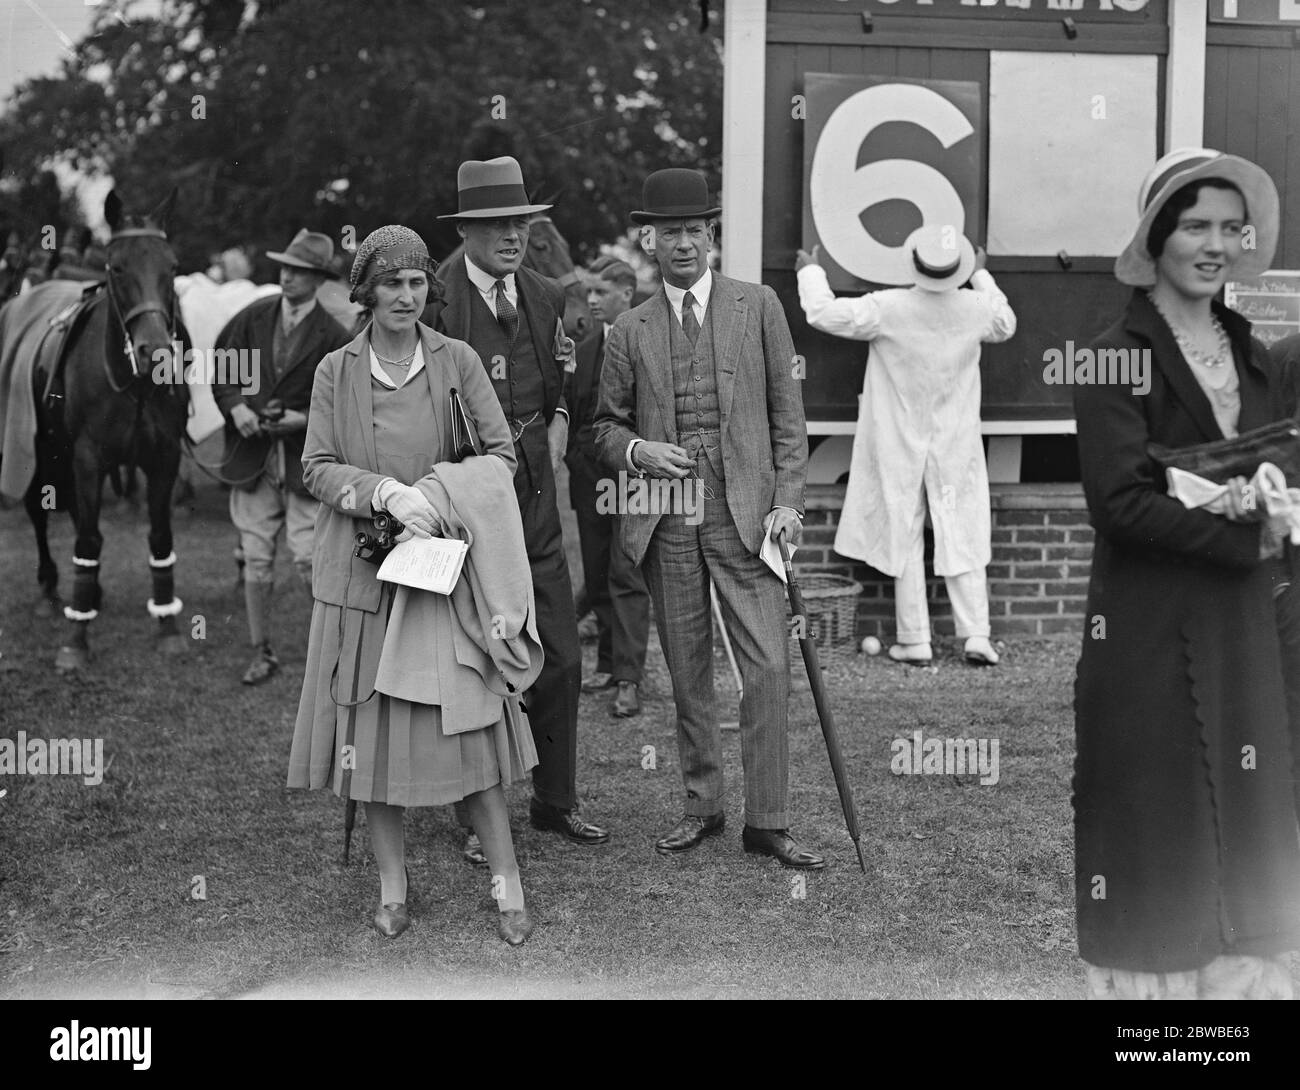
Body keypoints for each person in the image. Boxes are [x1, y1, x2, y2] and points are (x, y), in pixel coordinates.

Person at [1072, 148, 1300, 999]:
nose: (1215, 244)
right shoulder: (1109, 357)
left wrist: (1273, 507)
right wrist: (1240, 531)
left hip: (1246, 627)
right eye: (1194, 225)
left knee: (1250, 817)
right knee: (1155, 826)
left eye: (1228, 228)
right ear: (1157, 238)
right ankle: (1157, 1029)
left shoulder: (1257, 360)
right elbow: (1119, 505)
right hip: (1146, 632)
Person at [288, 225, 538, 945]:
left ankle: (506, 884)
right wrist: (384, 494)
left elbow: (502, 455)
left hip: (443, 581)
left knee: (472, 734)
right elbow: (316, 466)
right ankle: (393, 888)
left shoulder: (456, 360)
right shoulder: (337, 370)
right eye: (391, 284)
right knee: (370, 747)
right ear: (365, 292)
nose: (405, 295)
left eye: (417, 282)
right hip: (366, 582)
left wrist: (437, 492)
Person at [595, 168, 822, 869]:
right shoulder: (628, 328)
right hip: (666, 519)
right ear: (649, 241)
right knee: (687, 673)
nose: (684, 244)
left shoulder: (758, 306)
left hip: (747, 516)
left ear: (711, 236)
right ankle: (703, 807)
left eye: (695, 230)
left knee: (768, 669)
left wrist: (787, 501)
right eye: (670, 233)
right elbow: (602, 427)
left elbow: (789, 421)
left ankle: (769, 820)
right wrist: (636, 450)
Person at [426, 156, 609, 862]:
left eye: (521, 222)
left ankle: (555, 802)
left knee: (559, 652)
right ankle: (477, 814)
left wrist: (558, 427)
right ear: (467, 229)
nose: (513, 234)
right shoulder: (434, 298)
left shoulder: (541, 290)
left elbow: (561, 380)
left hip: (534, 498)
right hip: (465, 500)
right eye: (497, 223)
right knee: (478, 659)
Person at [795, 227, 1016, 667]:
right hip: (955, 440)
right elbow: (1006, 324)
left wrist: (811, 271)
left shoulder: (888, 308)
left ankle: (915, 639)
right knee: (962, 527)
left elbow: (821, 312)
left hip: (898, 439)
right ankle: (976, 634)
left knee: (905, 530)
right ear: (960, 269)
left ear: (915, 262)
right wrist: (984, 277)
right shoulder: (976, 309)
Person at [212, 230, 351, 685]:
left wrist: (302, 420)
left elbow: (343, 400)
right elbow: (223, 367)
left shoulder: (333, 334)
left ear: (318, 280)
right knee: (255, 555)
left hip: (302, 462)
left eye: (299, 272)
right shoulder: (253, 317)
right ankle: (262, 651)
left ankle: (329, 655)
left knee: (310, 556)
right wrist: (236, 408)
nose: (287, 277)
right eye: (285, 268)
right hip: (252, 457)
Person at [567, 257, 651, 717]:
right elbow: (573, 408)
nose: (592, 301)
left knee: (627, 573)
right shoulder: (580, 346)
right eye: (589, 293)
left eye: (601, 292)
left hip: (634, 479)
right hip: (587, 476)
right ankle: (604, 663)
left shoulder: (647, 340)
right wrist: (574, 459)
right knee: (597, 570)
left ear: (626, 293)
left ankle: (629, 679)